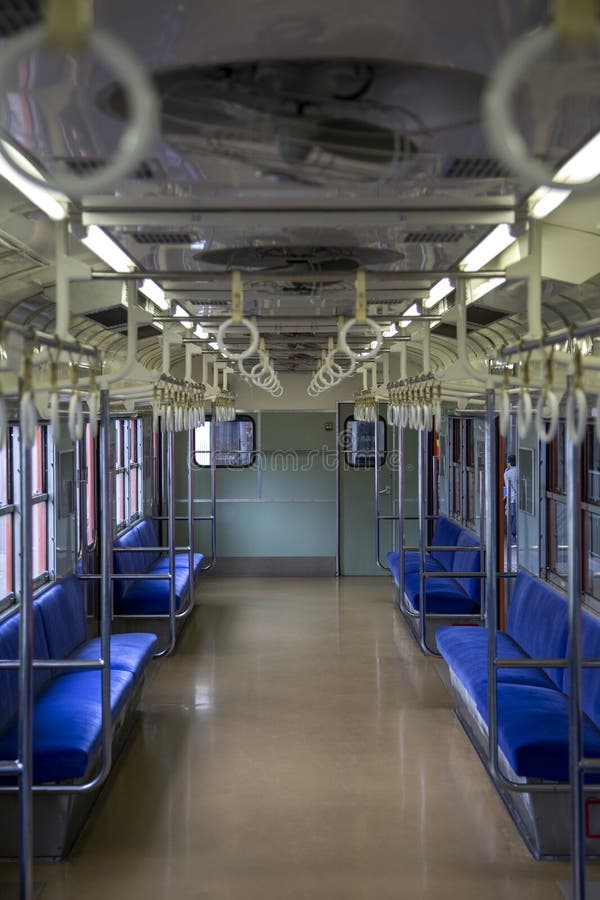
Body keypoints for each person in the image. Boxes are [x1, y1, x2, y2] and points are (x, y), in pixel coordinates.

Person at [504, 454, 517, 547]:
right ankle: (514, 537)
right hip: (521, 498)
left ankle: (513, 538)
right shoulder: (519, 470)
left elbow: (508, 487)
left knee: (512, 518)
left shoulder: (507, 473)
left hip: (512, 499)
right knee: (516, 517)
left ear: (509, 463)